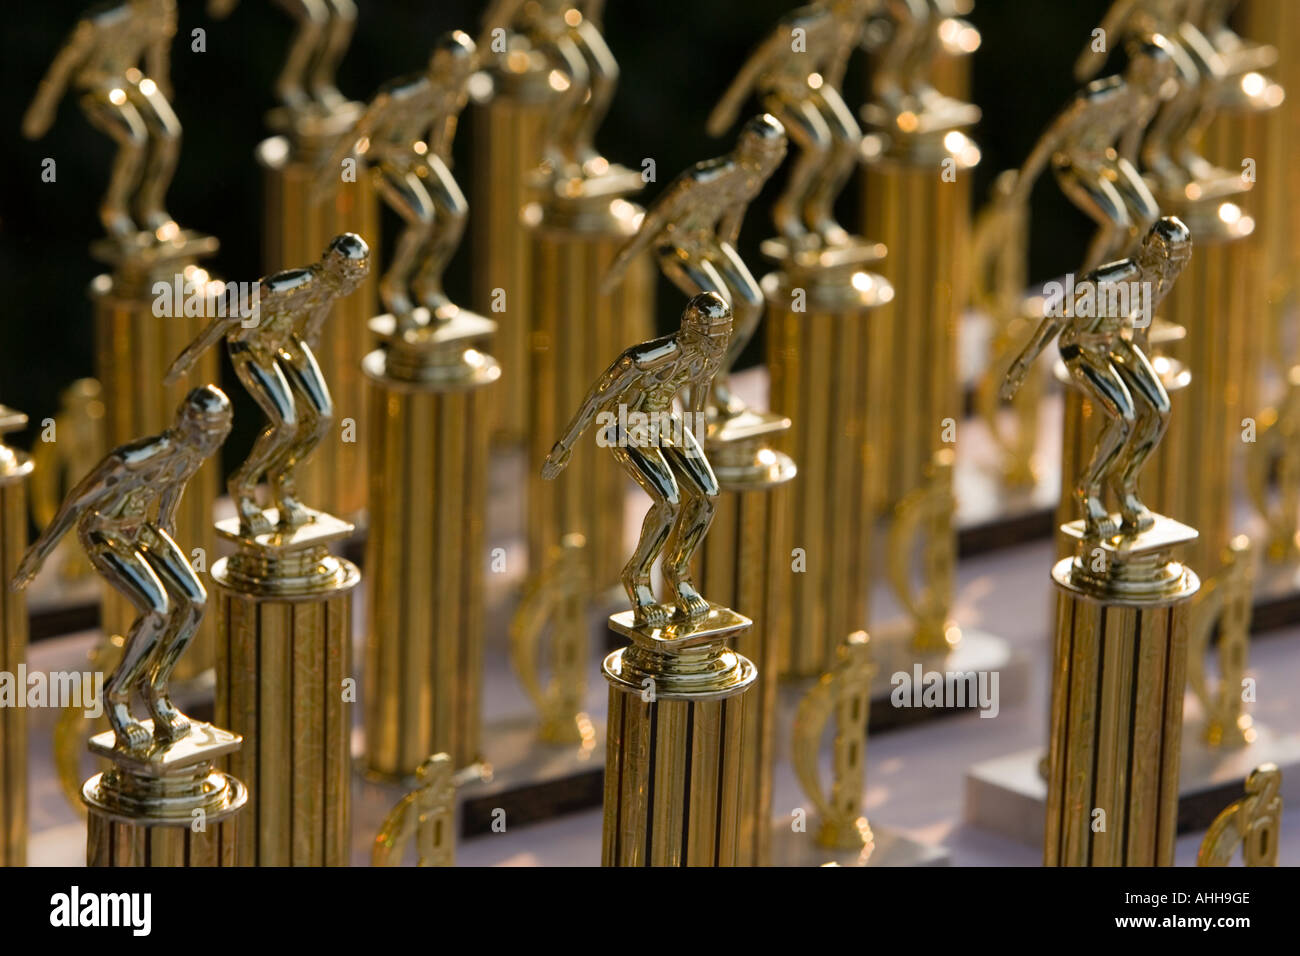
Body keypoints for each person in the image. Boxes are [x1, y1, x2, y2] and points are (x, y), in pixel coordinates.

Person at [11, 387, 233, 752]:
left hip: (143, 530)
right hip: (104, 532)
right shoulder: (131, 458)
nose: (212, 440)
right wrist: (39, 552)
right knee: (158, 610)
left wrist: (165, 524)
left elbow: (174, 485)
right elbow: (76, 501)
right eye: (207, 431)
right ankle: (116, 696)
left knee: (195, 602)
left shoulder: (192, 454)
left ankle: (157, 689)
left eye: (219, 431)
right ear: (186, 424)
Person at [542, 294, 733, 626]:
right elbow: (598, 396)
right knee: (669, 502)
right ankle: (639, 576)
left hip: (666, 422)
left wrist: (696, 448)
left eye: (722, 335)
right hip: (626, 425)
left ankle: (678, 569)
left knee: (708, 495)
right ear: (691, 331)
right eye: (712, 335)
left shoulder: (706, 355)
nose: (718, 344)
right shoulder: (643, 359)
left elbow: (697, 399)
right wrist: (564, 446)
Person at [165, 234, 370, 535]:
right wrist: (190, 355)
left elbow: (320, 306)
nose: (352, 282)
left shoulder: (330, 287)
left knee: (323, 417)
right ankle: (244, 485)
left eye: (358, 274)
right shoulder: (284, 286)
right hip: (250, 345)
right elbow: (229, 316)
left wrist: (312, 331)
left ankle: (283, 479)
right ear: (330, 264)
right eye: (348, 272)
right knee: (285, 424)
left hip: (285, 340)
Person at [1002, 218, 1193, 538]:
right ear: (1150, 250)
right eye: (1168, 262)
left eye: (1178, 264)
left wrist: (1143, 369)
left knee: (1161, 409)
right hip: (1082, 346)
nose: (1172, 271)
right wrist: (1024, 361)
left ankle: (1126, 481)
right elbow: (1059, 315)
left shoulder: (1160, 279)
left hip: (1117, 343)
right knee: (1125, 417)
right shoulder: (1108, 279)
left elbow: (1140, 330)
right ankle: (1088, 489)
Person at [603, 115, 788, 418]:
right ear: (747, 149)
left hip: (709, 246)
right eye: (765, 155)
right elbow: (656, 219)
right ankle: (696, 383)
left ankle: (719, 376)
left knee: (753, 303)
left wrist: (728, 260)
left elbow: (730, 228)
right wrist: (623, 260)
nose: (770, 163)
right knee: (721, 309)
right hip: (676, 246)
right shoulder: (703, 179)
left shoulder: (753, 179)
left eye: (775, 155)